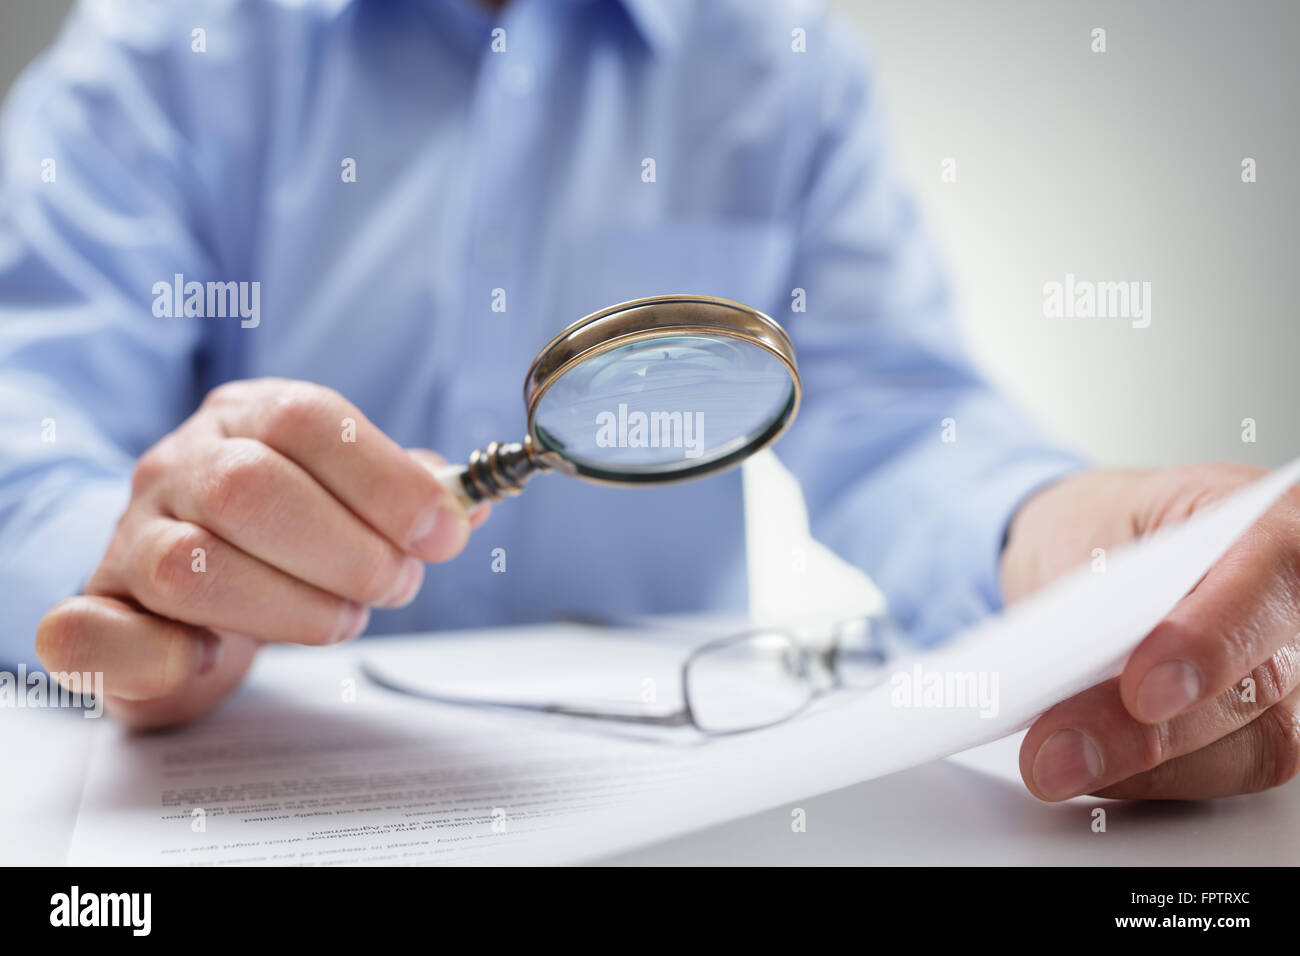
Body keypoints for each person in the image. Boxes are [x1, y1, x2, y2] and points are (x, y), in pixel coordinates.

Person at [1, 0, 1295, 802]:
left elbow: (906, 422)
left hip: (659, 807)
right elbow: (27, 424)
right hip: (236, 794)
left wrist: (1078, 542)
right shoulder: (161, 48)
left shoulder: (777, 61)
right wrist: (142, 582)